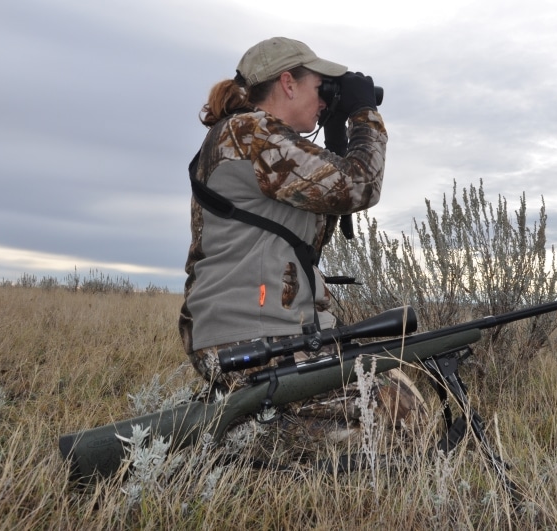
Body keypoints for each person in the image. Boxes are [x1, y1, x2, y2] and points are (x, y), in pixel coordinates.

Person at [179, 37, 424, 457]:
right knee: (393, 426)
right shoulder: (247, 134)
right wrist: (364, 114)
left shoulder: (265, 144)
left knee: (399, 395)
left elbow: (324, 203)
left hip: (276, 331)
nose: (325, 99)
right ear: (288, 83)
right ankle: (234, 439)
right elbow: (359, 185)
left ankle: (248, 420)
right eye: (321, 87)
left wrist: (335, 133)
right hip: (250, 339)